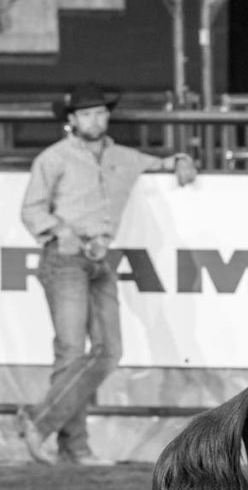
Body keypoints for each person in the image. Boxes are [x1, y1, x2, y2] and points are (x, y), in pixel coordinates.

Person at [17, 82, 198, 465]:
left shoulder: (123, 156)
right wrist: (61, 231)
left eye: (99, 112)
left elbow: (160, 162)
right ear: (71, 120)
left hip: (99, 259)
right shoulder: (54, 159)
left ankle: (41, 423)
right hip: (64, 257)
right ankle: (73, 446)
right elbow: (32, 210)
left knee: (107, 350)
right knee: (72, 352)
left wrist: (180, 159)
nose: (94, 119)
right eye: (86, 113)